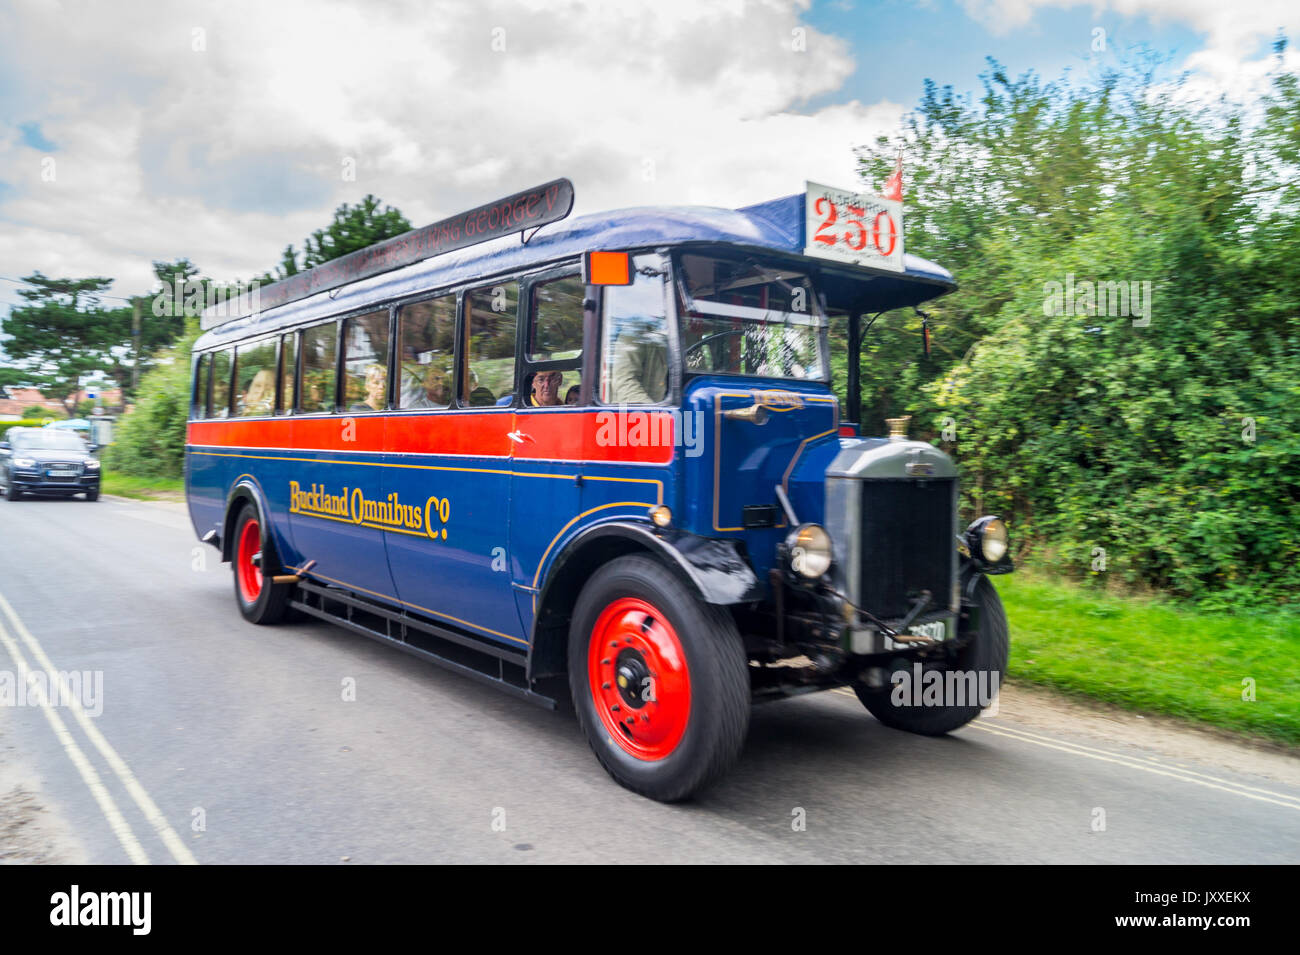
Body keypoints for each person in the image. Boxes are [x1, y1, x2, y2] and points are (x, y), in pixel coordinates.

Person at [610, 323, 667, 404]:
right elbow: (625, 384)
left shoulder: (665, 334)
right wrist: (654, 413)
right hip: (631, 413)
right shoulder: (633, 332)